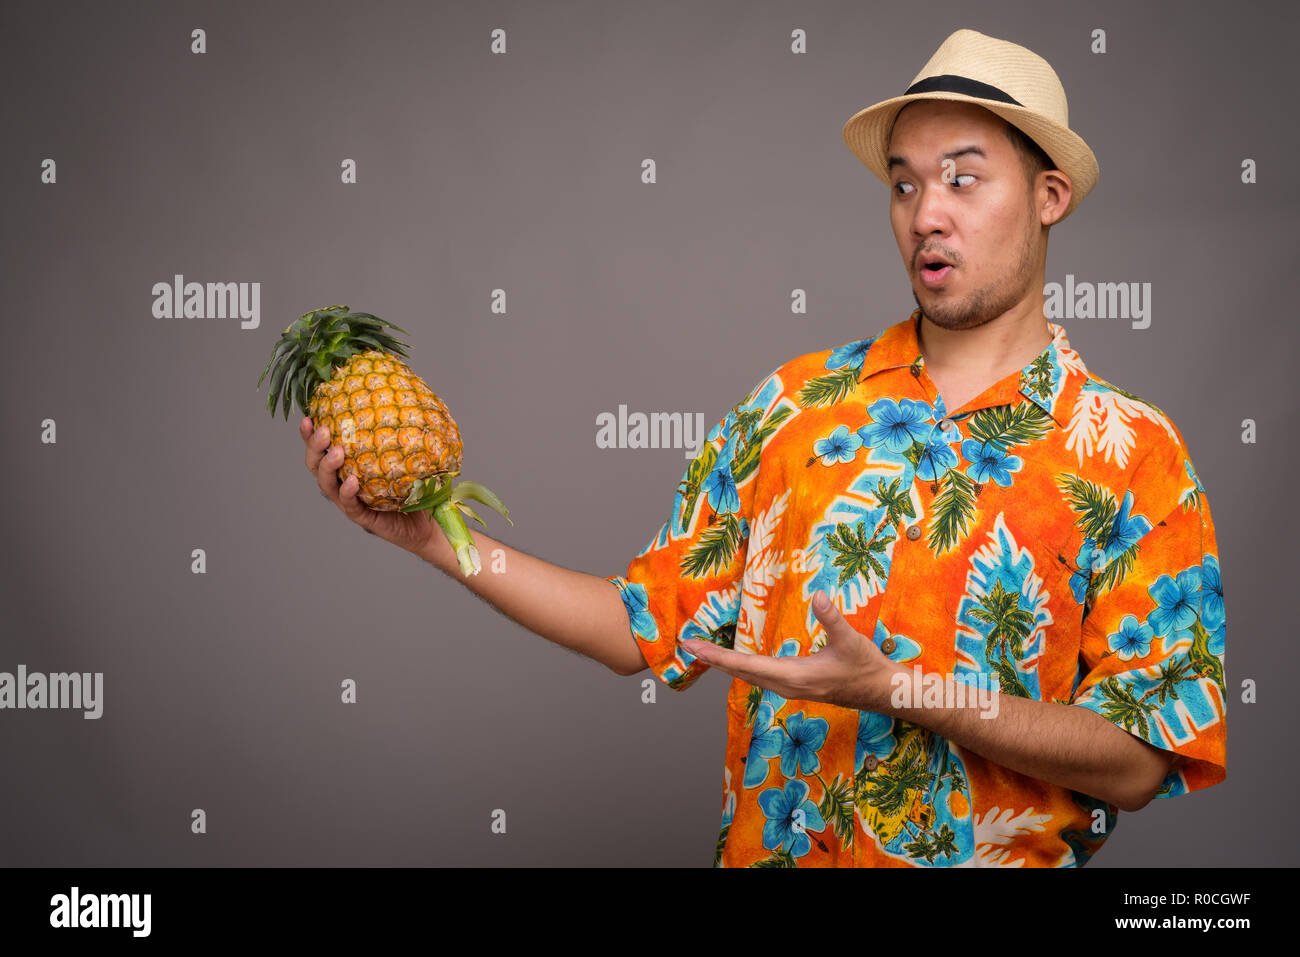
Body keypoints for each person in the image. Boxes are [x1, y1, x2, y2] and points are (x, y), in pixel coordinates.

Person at [302, 29, 1226, 867]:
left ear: (1049, 197)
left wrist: (901, 689)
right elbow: (640, 626)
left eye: (963, 177)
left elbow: (1141, 762)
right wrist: (437, 540)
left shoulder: (1133, 452)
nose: (924, 214)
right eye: (904, 183)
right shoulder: (791, 405)